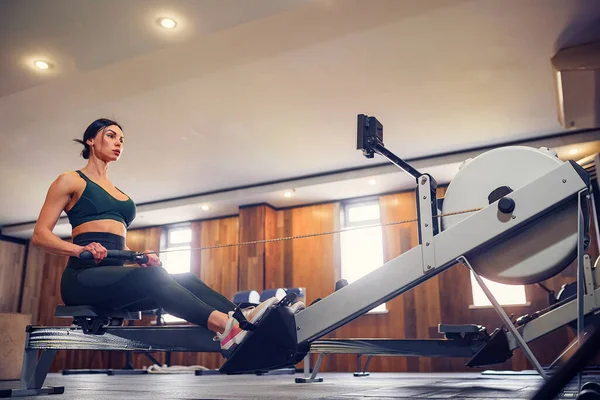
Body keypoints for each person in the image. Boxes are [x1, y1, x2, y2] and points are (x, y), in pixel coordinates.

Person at [32, 118, 305, 352]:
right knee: (154, 277)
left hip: (114, 278)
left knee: (185, 278)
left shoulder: (119, 193)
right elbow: (40, 235)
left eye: (122, 140)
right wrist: (78, 249)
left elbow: (116, 242)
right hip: (83, 278)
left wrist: (138, 258)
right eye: (111, 136)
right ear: (90, 140)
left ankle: (243, 317)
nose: (118, 143)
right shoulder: (71, 180)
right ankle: (226, 328)